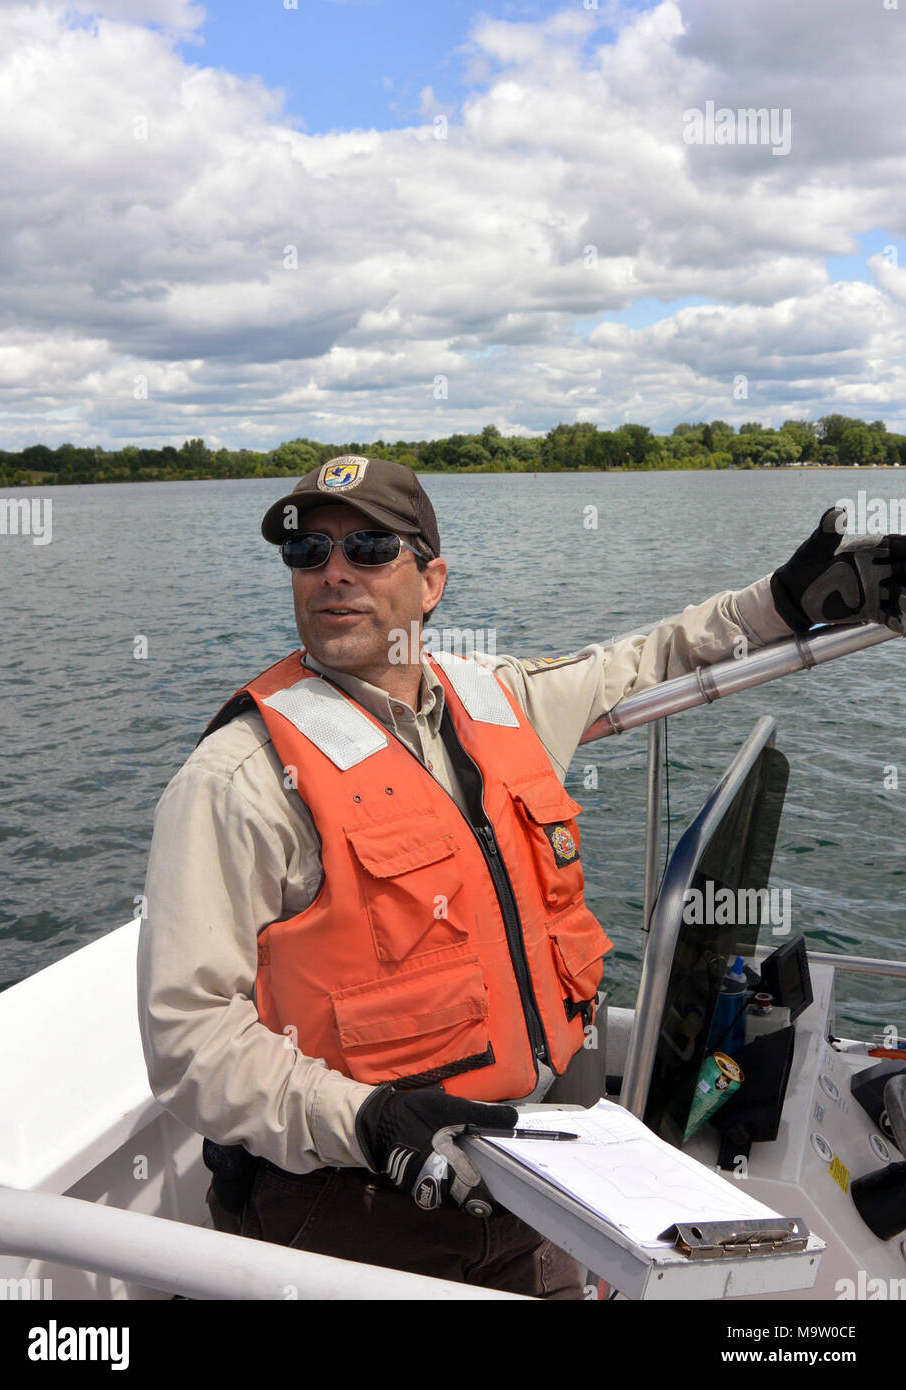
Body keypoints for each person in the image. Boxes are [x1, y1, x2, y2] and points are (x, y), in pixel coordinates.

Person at [136, 456, 906, 1299]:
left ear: (431, 580)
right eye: (307, 554)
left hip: (538, 1175)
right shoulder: (238, 778)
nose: (333, 574)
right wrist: (364, 1118)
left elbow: (649, 660)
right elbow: (190, 1042)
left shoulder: (499, 700)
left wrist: (787, 605)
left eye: (367, 547)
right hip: (362, 1208)